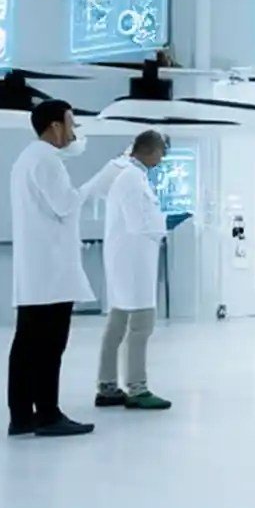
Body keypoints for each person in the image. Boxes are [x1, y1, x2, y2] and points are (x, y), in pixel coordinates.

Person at [8, 100, 120, 437]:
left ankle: (22, 416)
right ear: (55, 126)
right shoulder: (46, 160)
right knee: (49, 346)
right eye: (71, 123)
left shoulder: (28, 158)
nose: (74, 131)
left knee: (27, 345)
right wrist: (97, 184)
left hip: (37, 272)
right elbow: (65, 203)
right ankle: (47, 415)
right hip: (51, 273)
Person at [96, 130, 172, 410]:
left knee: (117, 324)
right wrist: (166, 224)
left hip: (126, 262)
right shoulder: (131, 179)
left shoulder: (130, 176)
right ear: (150, 151)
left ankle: (107, 386)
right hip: (134, 263)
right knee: (141, 326)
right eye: (161, 153)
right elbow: (139, 224)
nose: (162, 159)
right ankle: (137, 388)